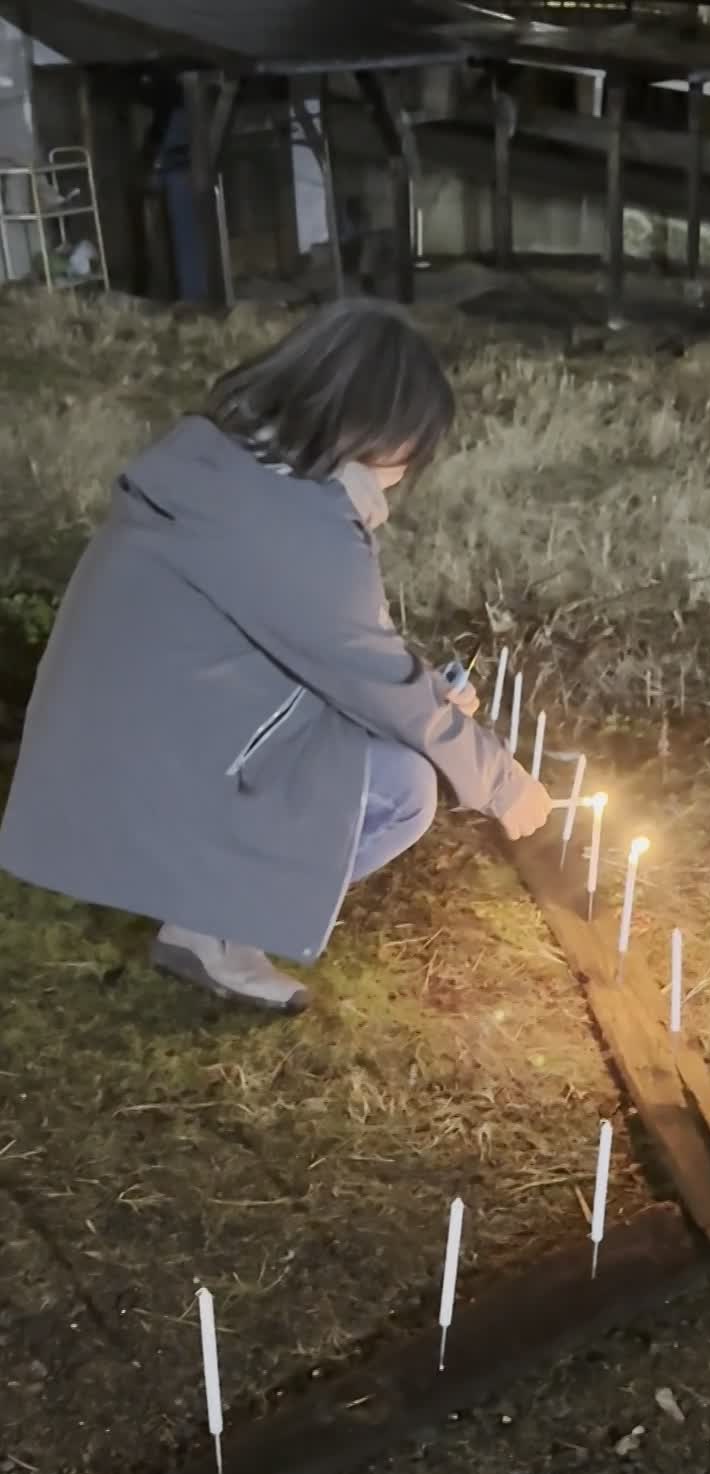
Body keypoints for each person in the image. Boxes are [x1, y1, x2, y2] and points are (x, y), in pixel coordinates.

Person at [0, 301, 551, 1013]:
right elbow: (367, 674)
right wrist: (504, 783)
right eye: (411, 449)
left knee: (385, 743)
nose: (407, 472)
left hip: (125, 745)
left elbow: (341, 645)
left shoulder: (229, 468)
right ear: (379, 432)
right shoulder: (297, 520)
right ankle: (212, 926)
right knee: (402, 789)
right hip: (154, 770)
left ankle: (211, 917)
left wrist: (416, 693)